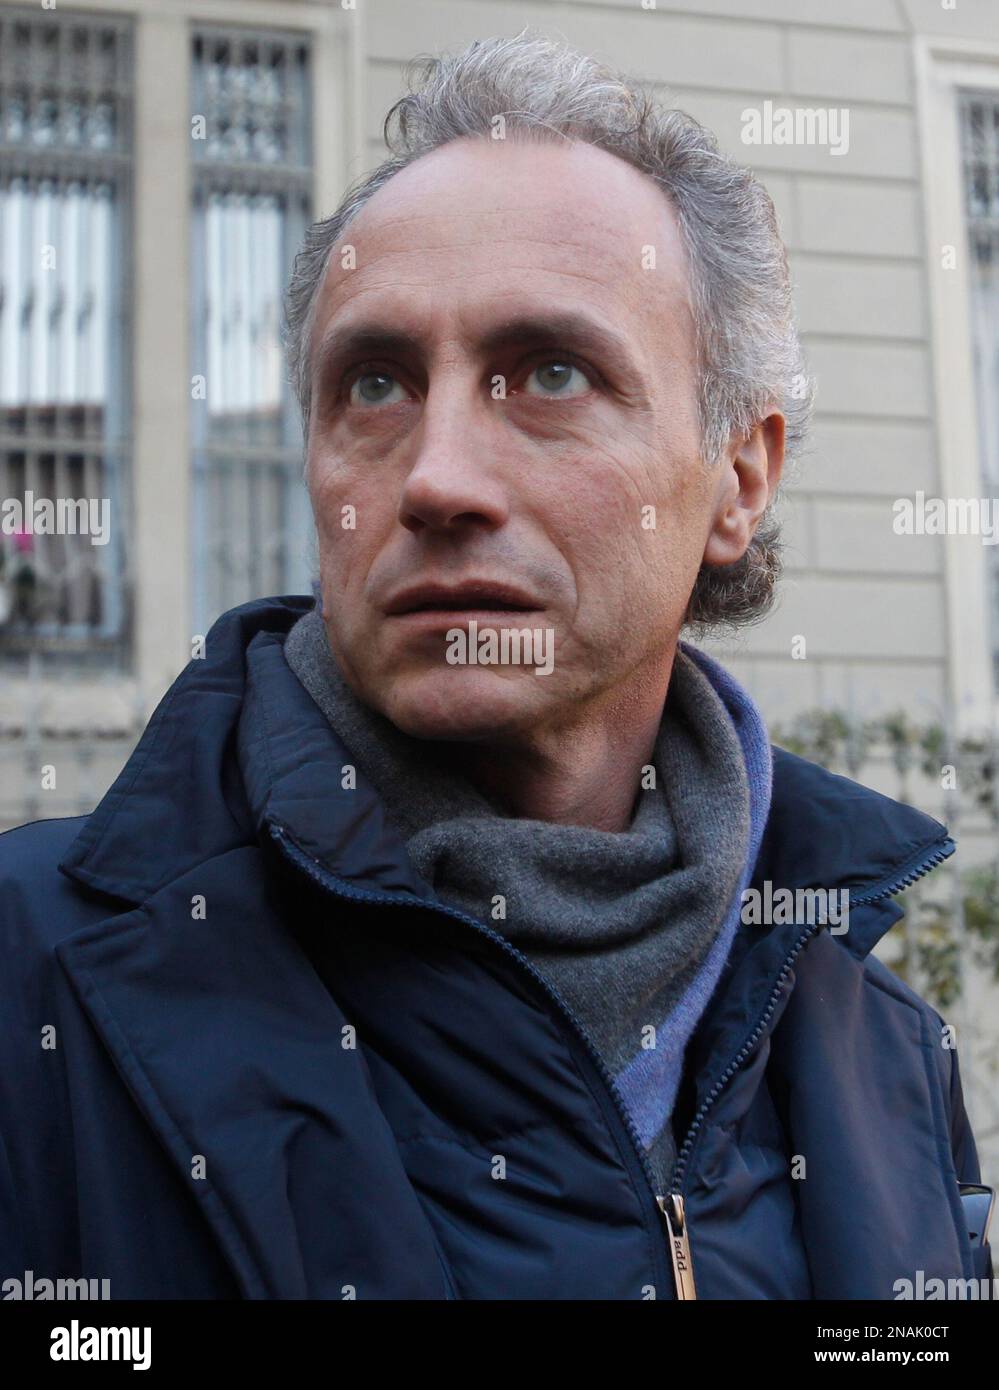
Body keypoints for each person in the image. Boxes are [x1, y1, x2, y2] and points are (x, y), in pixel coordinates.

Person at [0, 30, 991, 1301]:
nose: (437, 479)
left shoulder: (881, 1053)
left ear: (737, 478)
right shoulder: (38, 982)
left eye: (553, 373)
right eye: (374, 385)